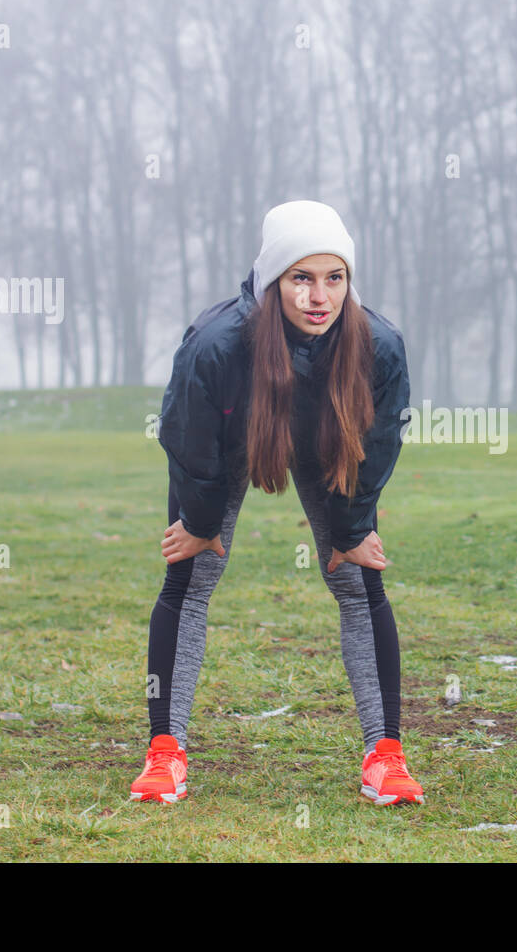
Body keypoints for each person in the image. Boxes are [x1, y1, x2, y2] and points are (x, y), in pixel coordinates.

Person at [130, 199, 423, 807]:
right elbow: (188, 435)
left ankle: (386, 757)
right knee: (190, 571)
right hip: (234, 441)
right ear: (273, 283)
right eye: (301, 278)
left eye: (334, 278)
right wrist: (201, 522)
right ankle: (165, 754)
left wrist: (351, 529)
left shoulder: (379, 345)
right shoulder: (216, 345)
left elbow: (377, 442)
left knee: (357, 577)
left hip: (327, 442)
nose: (320, 296)